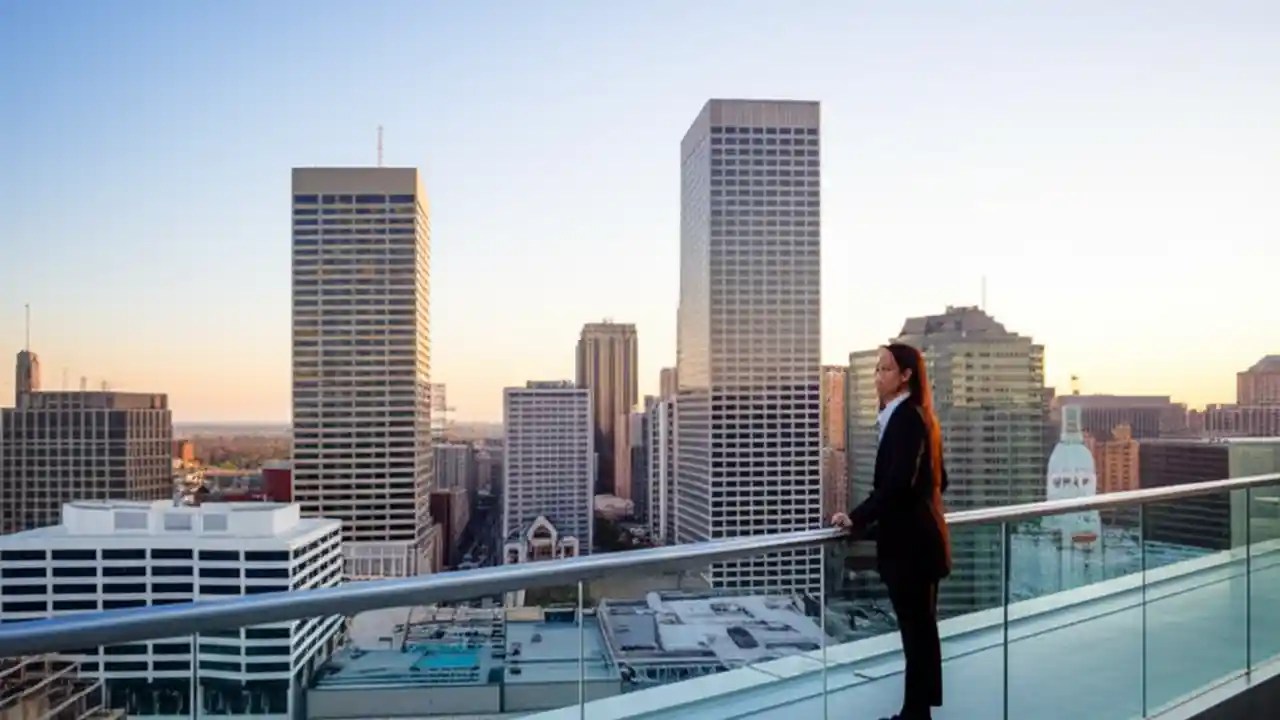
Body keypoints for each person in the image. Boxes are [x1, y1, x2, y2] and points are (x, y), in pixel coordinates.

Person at [831, 343, 950, 720]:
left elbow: (897, 483)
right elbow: (939, 481)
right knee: (920, 635)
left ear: (905, 376)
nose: (877, 376)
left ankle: (915, 716)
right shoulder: (923, 417)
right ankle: (918, 714)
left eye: (884, 369)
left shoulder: (905, 420)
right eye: (877, 369)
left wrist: (858, 518)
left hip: (911, 549)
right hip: (924, 543)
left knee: (916, 636)